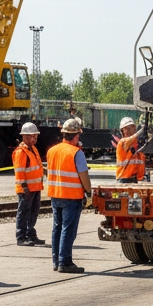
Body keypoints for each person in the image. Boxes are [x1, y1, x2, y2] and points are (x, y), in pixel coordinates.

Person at [47, 117, 91, 273]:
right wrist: (89, 192)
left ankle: (56, 261)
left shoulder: (52, 151)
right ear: (77, 135)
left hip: (55, 195)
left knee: (57, 228)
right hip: (71, 197)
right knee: (68, 229)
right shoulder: (76, 153)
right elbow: (83, 176)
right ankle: (65, 262)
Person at [13, 122, 45, 246]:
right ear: (25, 137)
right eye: (33, 137)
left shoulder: (33, 149)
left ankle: (30, 234)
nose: (35, 139)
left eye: (36, 137)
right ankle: (21, 237)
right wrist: (24, 187)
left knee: (33, 212)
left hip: (35, 187)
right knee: (24, 212)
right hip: (26, 189)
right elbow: (19, 171)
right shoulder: (21, 152)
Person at [115, 116, 146, 183]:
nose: (127, 131)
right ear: (123, 130)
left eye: (130, 128)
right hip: (124, 179)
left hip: (135, 179)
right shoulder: (122, 143)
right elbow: (130, 139)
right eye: (126, 128)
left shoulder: (135, 143)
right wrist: (141, 130)